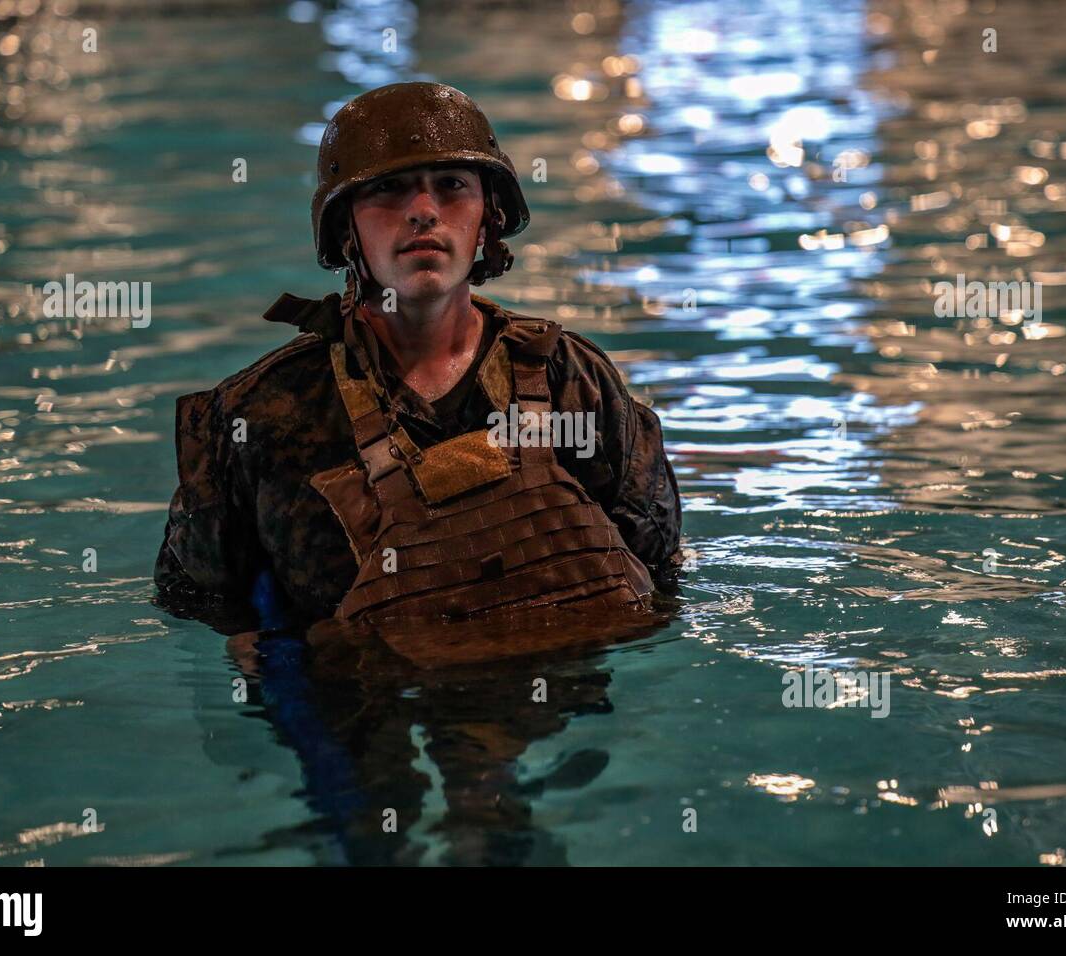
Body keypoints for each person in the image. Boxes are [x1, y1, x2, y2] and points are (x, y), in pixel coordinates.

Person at [154, 82, 682, 629]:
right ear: (346, 229)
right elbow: (202, 604)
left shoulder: (572, 379)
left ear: (488, 219)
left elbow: (661, 571)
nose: (424, 212)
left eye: (451, 185)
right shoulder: (262, 415)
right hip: (362, 707)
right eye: (389, 188)